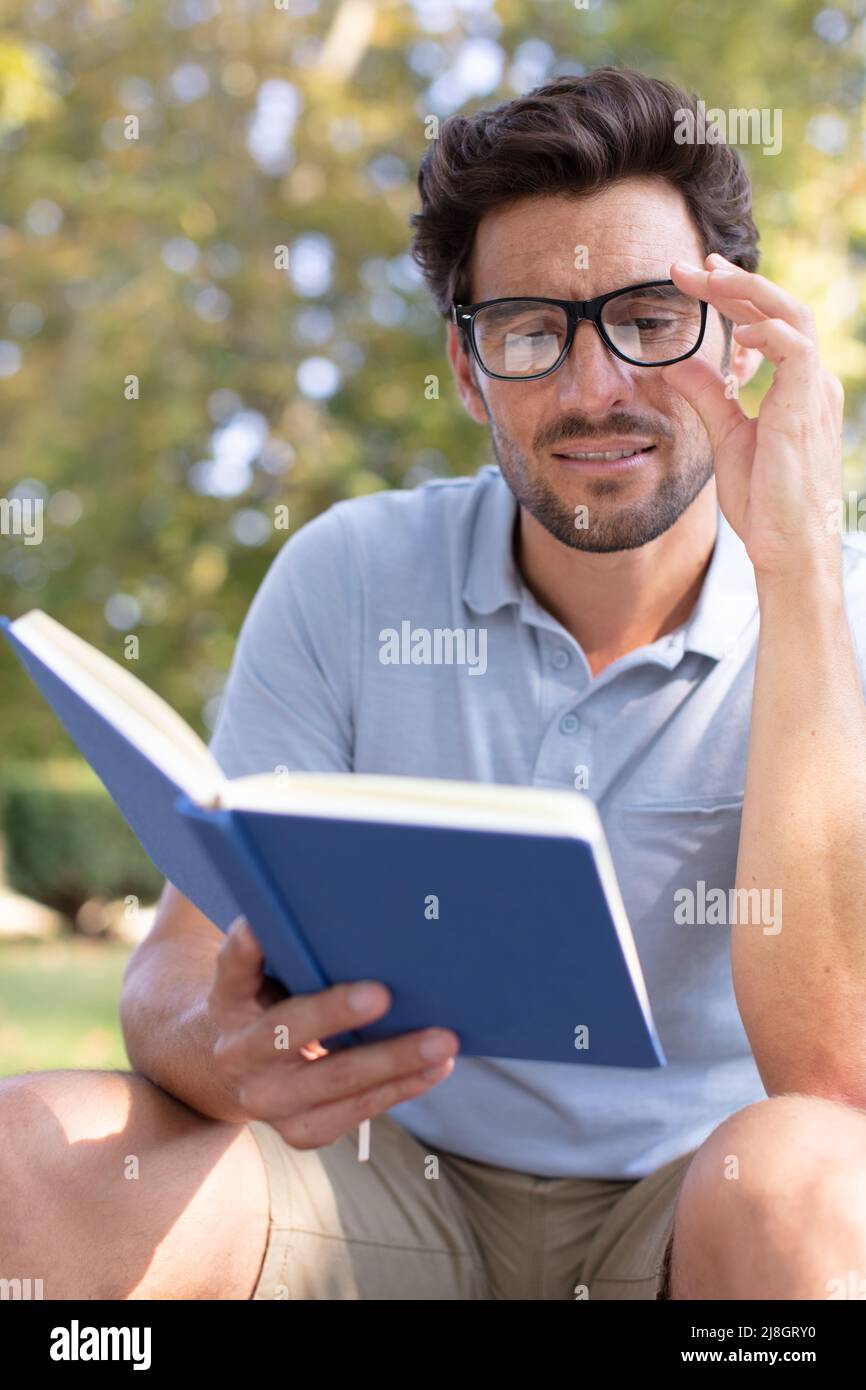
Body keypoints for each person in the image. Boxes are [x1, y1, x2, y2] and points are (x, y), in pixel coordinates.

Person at [3, 67, 866, 1302]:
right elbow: (172, 974)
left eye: (648, 316)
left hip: (699, 1217)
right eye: (528, 330)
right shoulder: (349, 576)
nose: (591, 388)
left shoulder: (836, 606)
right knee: (26, 1160)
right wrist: (222, 1052)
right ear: (467, 373)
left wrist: (791, 574)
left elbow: (834, 1080)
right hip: (383, 1189)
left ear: (734, 339)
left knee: (820, 1190)